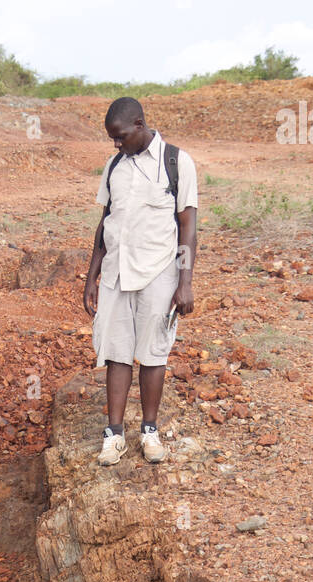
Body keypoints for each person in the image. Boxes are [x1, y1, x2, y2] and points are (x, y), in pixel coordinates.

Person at [83, 97, 198, 465]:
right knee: (116, 352)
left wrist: (185, 281)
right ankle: (114, 435)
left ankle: (150, 431)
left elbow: (188, 227)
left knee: (153, 353)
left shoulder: (177, 163)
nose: (116, 144)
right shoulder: (114, 165)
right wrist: (92, 275)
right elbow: (106, 221)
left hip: (159, 273)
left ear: (139, 124)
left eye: (120, 137)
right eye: (111, 139)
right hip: (117, 270)